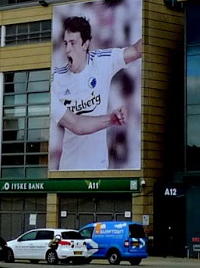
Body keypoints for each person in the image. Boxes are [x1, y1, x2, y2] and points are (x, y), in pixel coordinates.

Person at [50, 13, 142, 171]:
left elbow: (134, 50)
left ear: (85, 44)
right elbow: (77, 125)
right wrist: (111, 119)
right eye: (66, 43)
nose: (68, 49)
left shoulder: (102, 62)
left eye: (73, 43)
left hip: (98, 168)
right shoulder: (56, 79)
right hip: (68, 170)